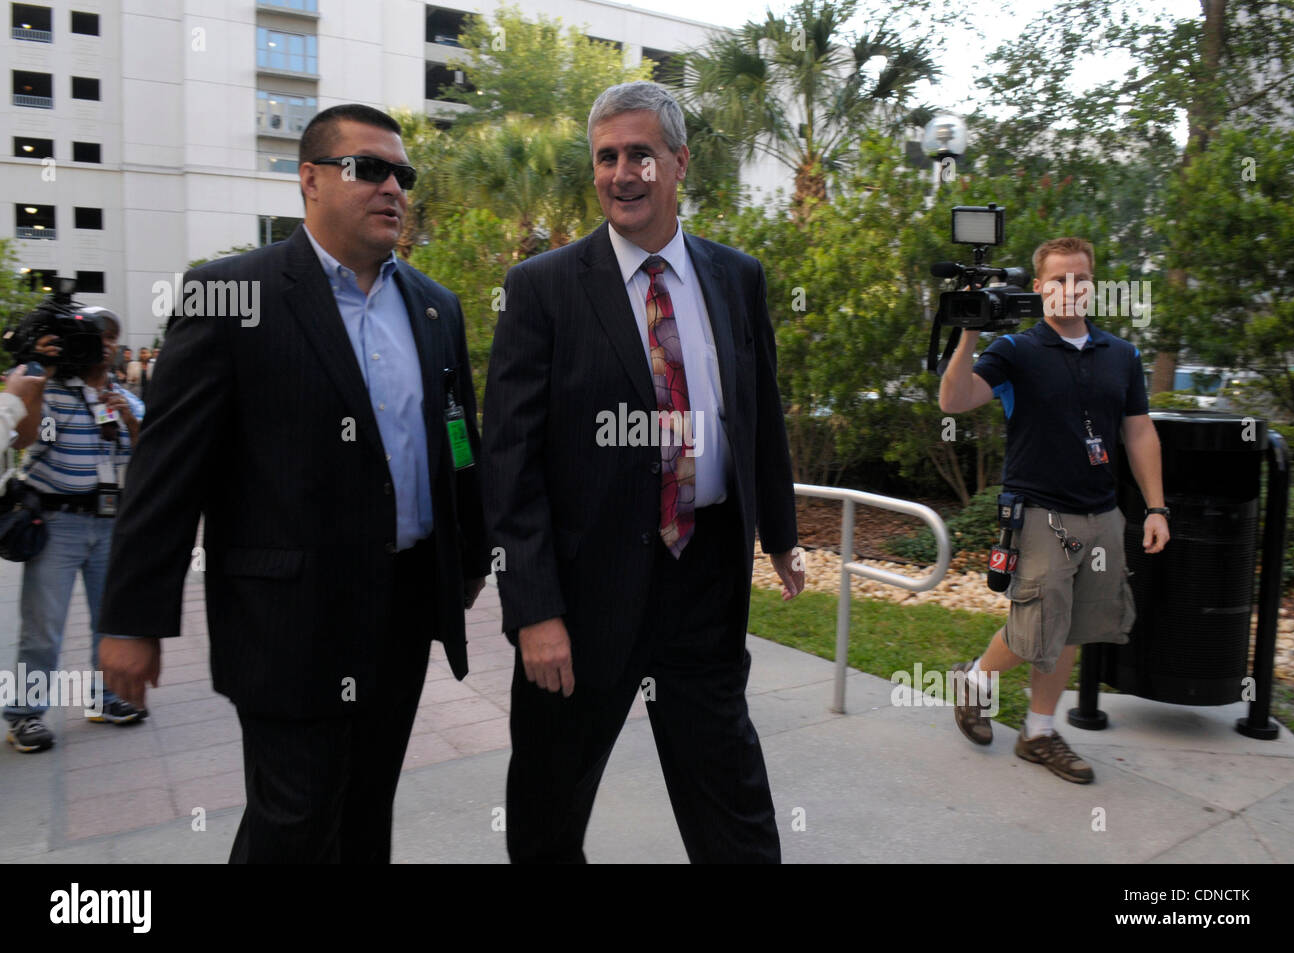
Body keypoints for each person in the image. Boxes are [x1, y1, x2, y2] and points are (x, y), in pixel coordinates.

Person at [96, 103, 491, 862]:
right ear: (309, 179)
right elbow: (168, 471)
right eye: (368, 168)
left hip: (403, 609)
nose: (392, 188)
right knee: (296, 819)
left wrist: (470, 555)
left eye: (401, 174)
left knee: (367, 810)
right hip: (289, 621)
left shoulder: (435, 306)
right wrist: (132, 617)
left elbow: (456, 440)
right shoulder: (230, 295)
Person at [482, 81, 805, 863]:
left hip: (703, 582)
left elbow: (756, 412)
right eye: (606, 157)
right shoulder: (542, 289)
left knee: (732, 799)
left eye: (640, 155)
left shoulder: (736, 276)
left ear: (679, 162)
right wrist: (534, 610)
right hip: (583, 598)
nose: (622, 174)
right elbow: (509, 460)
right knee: (549, 809)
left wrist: (781, 534)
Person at [938, 236, 1170, 783]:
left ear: (1093, 284)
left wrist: (1156, 507)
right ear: (1039, 287)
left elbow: (1138, 433)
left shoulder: (1122, 355)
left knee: (1072, 630)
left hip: (1103, 513)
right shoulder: (1017, 351)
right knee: (1036, 626)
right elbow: (954, 400)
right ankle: (973, 679)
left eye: (1080, 279)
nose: (1070, 289)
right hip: (1040, 512)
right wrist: (971, 329)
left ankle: (1038, 732)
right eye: (1059, 280)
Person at [4, 308, 146, 752]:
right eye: (97, 336)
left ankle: (105, 699)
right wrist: (40, 374)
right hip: (59, 521)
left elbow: (150, 458)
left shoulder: (123, 396)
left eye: (111, 337)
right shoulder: (51, 392)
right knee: (43, 627)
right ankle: (25, 714)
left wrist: (129, 421)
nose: (105, 344)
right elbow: (25, 441)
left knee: (111, 622)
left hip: (111, 524)